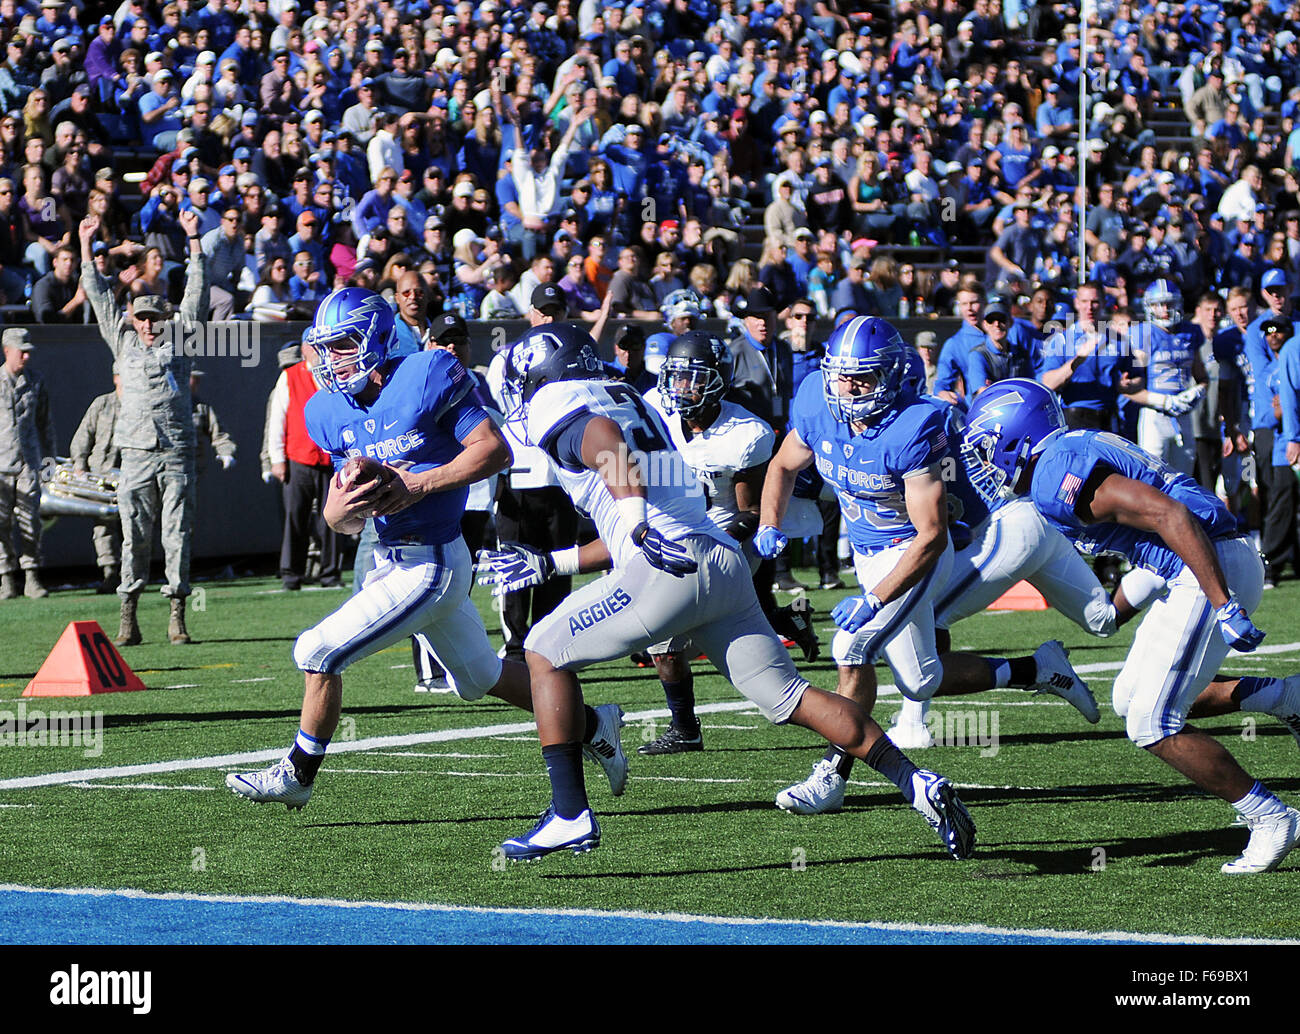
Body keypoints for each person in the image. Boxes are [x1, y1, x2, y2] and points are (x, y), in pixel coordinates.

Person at [477, 322, 974, 862]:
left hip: (664, 567)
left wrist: (637, 520)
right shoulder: (627, 397)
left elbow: (604, 442)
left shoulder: (560, 400)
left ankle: (570, 813)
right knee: (791, 698)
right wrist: (552, 560)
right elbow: (638, 510)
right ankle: (916, 781)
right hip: (718, 561)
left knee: (543, 652)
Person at [225, 289, 627, 810]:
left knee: (316, 651)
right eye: (324, 349)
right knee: (479, 677)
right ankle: (596, 723)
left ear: (374, 337)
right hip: (389, 558)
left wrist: (419, 485)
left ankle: (298, 774)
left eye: (344, 345)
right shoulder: (325, 410)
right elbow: (339, 516)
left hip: (433, 560)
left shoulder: (427, 372)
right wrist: (340, 512)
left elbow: (493, 450)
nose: (331, 360)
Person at [963, 379, 1300, 874]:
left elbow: (1170, 514)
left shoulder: (1057, 474)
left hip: (1208, 566)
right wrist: (1115, 611)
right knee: (1130, 699)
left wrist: (1222, 603)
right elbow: (1147, 543)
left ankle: (1270, 817)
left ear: (1016, 435)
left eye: (989, 448)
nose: (987, 463)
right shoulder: (1067, 454)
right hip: (1193, 563)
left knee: (1152, 721)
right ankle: (1285, 698)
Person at [78, 209, 207, 645]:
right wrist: (85, 245)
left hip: (176, 451)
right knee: (133, 534)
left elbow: (197, 292)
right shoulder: (122, 338)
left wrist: (193, 241)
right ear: (134, 318)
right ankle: (128, 615)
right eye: (143, 317)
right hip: (134, 452)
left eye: (155, 317)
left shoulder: (182, 337)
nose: (149, 324)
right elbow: (97, 293)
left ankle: (177, 614)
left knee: (178, 533)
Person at [1125, 280, 1208, 476]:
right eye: (1158, 304)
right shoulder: (1142, 334)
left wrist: (1198, 392)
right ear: (1149, 306)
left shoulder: (1190, 332)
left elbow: (1202, 376)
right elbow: (1129, 387)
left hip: (1184, 416)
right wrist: (1165, 401)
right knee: (1153, 479)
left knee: (1183, 478)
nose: (1164, 309)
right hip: (1155, 416)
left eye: (1169, 303)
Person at [0, 328, 54, 600]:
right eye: (21, 350)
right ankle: (6, 578)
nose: (26, 355)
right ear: (6, 350)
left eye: (28, 350)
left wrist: (48, 462)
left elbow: (45, 424)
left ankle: (32, 576)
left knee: (30, 522)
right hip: (0, 464)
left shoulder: (35, 381)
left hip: (27, 463)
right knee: (1, 523)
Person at [70, 366, 122, 593]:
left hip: (129, 475)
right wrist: (79, 465)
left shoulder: (141, 405)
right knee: (104, 527)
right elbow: (83, 436)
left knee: (132, 527)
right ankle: (110, 572)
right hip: (100, 477)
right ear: (116, 378)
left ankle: (131, 573)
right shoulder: (101, 404)